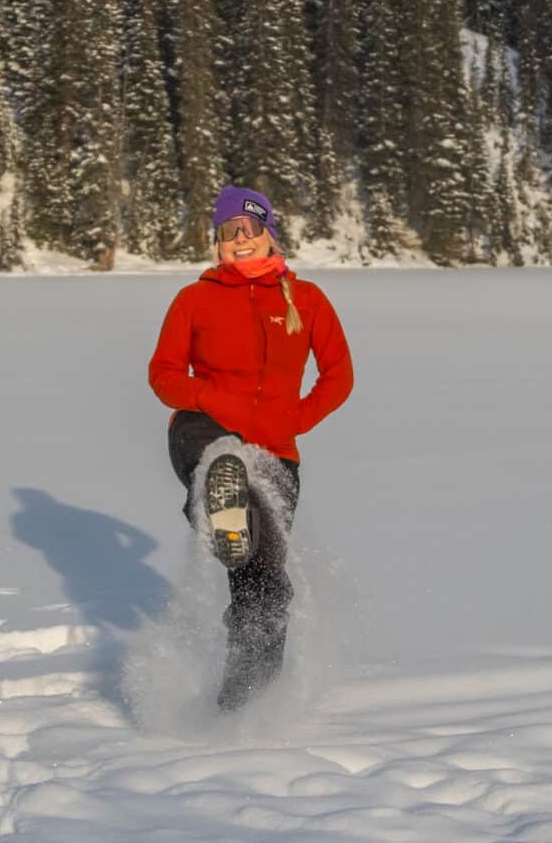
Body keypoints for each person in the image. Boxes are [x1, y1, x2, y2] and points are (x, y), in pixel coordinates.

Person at [148, 185, 354, 710]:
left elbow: (338, 375)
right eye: (227, 232)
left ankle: (246, 701)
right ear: (216, 243)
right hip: (203, 427)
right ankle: (218, 502)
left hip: (275, 452)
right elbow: (164, 374)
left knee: (264, 579)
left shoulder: (306, 300)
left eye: (249, 229)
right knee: (218, 464)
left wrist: (298, 416)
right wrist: (211, 396)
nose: (239, 240)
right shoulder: (194, 298)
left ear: (268, 234)